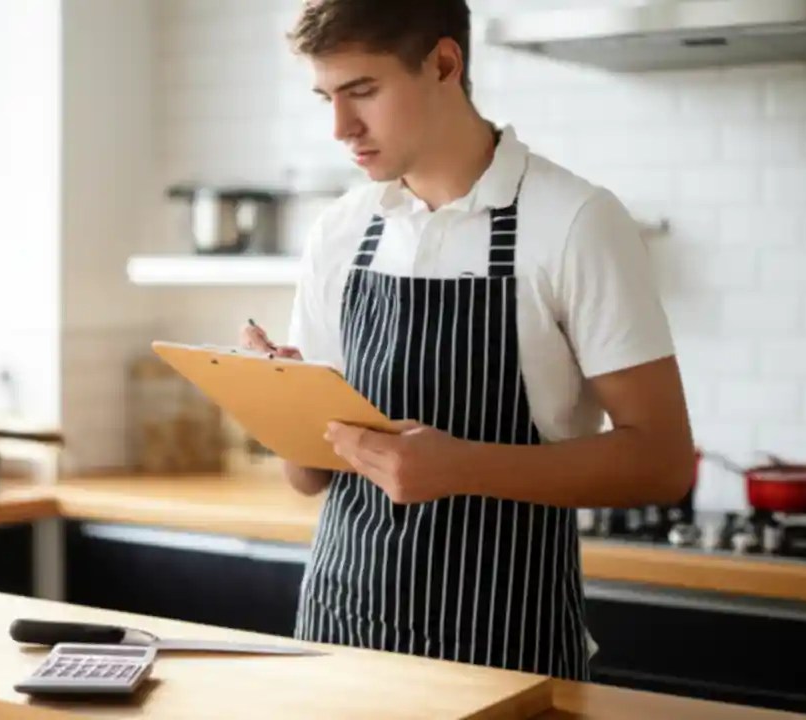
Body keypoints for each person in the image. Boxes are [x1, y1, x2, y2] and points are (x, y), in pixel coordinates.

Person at [240, 0, 696, 681]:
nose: (340, 127)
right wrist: (276, 398)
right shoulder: (341, 229)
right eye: (326, 98)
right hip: (341, 646)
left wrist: (463, 468)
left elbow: (662, 462)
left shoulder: (574, 221)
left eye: (363, 91)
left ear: (445, 64)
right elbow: (308, 480)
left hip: (503, 658)